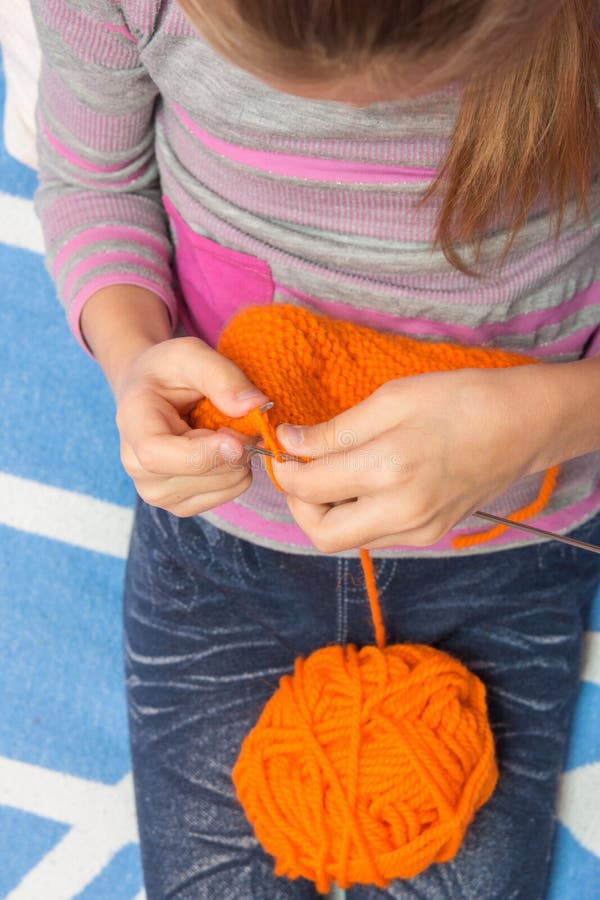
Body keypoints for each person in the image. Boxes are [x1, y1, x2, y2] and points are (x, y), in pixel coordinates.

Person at [29, 0, 600, 897]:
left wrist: (556, 416)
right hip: (222, 550)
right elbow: (93, 182)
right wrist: (133, 358)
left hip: (511, 552)